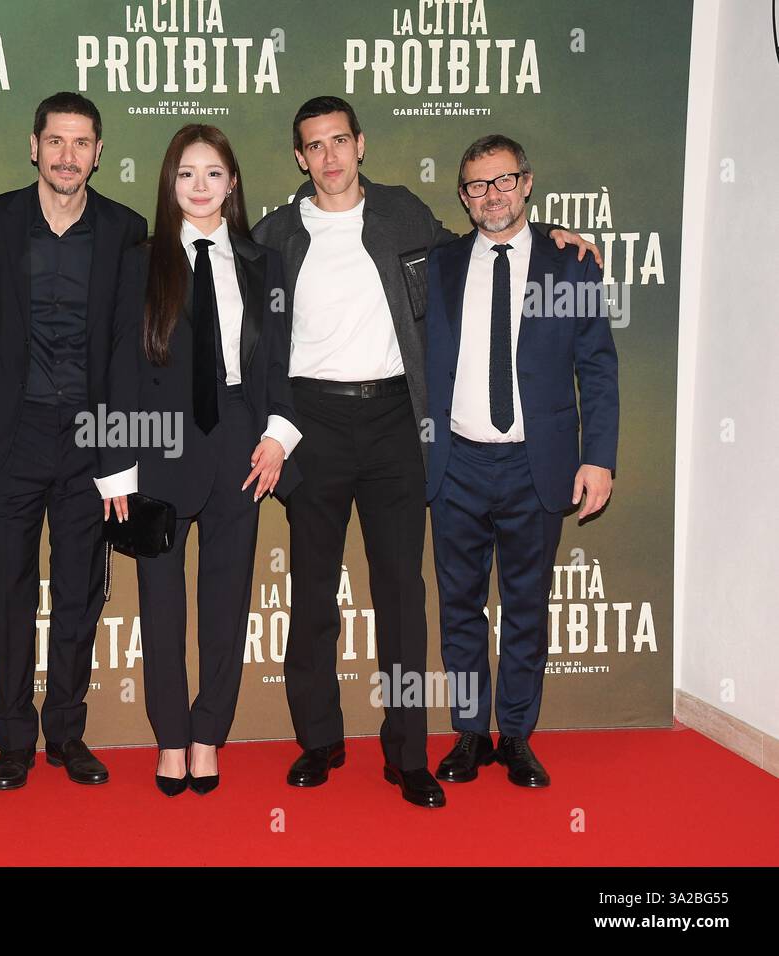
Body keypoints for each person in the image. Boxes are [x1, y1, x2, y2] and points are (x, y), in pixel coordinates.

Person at [251, 96, 600, 808]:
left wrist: (557, 235)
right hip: (310, 422)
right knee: (314, 591)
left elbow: (486, 241)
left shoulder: (404, 212)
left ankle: (408, 753)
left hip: (394, 422)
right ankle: (319, 741)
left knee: (403, 596)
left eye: (339, 141)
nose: (329, 157)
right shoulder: (275, 234)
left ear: (361, 144)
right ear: (299, 157)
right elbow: (251, 336)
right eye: (314, 146)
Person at [426, 134, 618, 788]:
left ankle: (517, 736)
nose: (492, 195)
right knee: (460, 606)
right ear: (463, 195)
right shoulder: (441, 263)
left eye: (504, 181)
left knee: (527, 606)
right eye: (478, 185)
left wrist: (599, 458)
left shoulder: (571, 266)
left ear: (527, 183)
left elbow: (597, 369)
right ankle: (471, 734)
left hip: (539, 465)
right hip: (456, 466)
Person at [0, 93, 147, 790]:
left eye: (82, 143)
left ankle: (66, 734)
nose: (68, 156)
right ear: (34, 147)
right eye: (56, 142)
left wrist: (121, 460)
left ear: (98, 153)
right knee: (9, 594)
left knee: (79, 595)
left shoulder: (127, 231)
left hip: (90, 444)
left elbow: (133, 356)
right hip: (10, 439)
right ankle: (12, 740)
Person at [116, 125, 300, 796]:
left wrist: (279, 435)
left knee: (226, 598)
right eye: (186, 173)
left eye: (213, 173)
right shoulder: (139, 261)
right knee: (160, 602)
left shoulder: (262, 263)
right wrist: (115, 465)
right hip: (157, 445)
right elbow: (119, 368)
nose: (199, 186)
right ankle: (169, 737)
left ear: (232, 183)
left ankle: (206, 734)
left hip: (240, 447)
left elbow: (280, 360)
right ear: (170, 184)